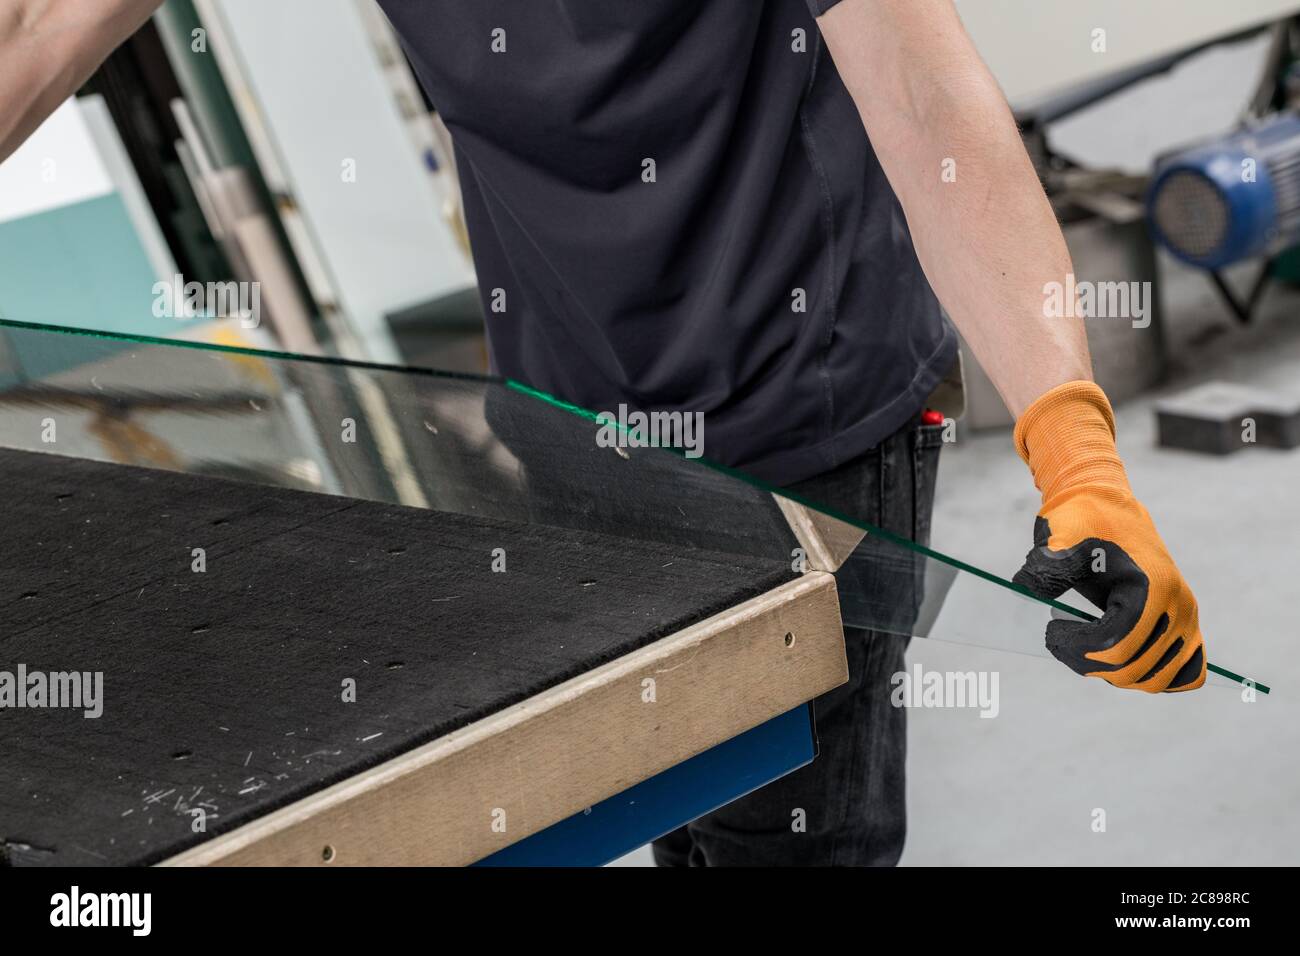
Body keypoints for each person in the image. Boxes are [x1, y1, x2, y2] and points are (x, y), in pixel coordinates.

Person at [0, 0, 1206, 867]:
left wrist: (1072, 445)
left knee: (786, 839)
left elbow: (925, 99)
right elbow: (37, 30)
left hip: (802, 415)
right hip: (572, 429)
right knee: (670, 793)